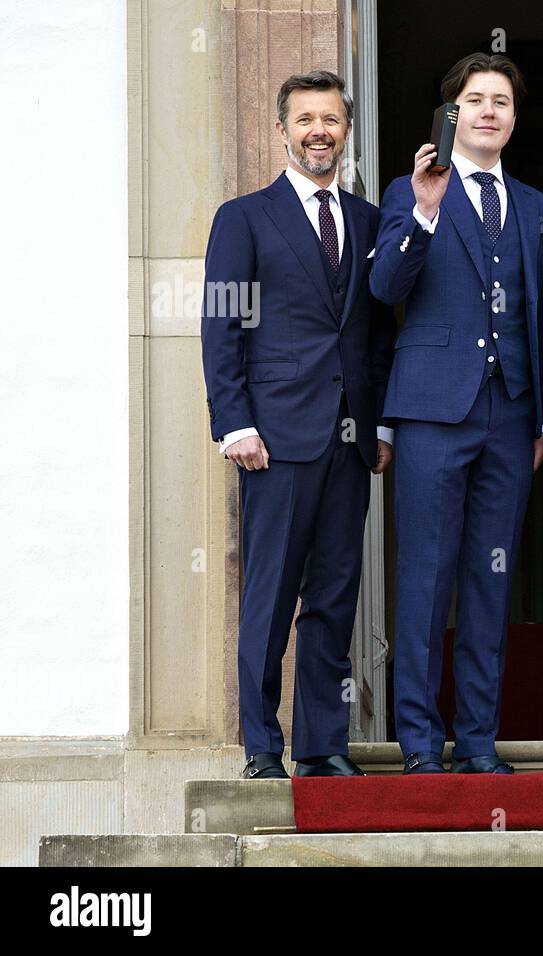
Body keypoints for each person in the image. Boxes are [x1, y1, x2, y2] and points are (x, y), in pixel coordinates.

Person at [201, 70, 394, 779]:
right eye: (306, 119)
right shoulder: (243, 217)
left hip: (349, 441)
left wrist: (379, 427)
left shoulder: (371, 221)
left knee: (334, 596)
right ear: (282, 130)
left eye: (332, 120)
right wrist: (235, 423)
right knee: (271, 597)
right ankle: (261, 748)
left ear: (347, 131)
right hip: (273, 442)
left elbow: (376, 335)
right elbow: (222, 324)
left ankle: (323, 746)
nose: (320, 131)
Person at [370, 53, 543, 775]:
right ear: (451, 114)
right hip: (430, 413)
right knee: (425, 577)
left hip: (509, 418)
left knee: (490, 579)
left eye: (501, 101)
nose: (488, 111)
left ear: (513, 117)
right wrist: (420, 209)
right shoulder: (410, 191)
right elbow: (385, 285)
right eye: (474, 100)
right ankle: (420, 742)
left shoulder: (536, 208)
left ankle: (477, 741)